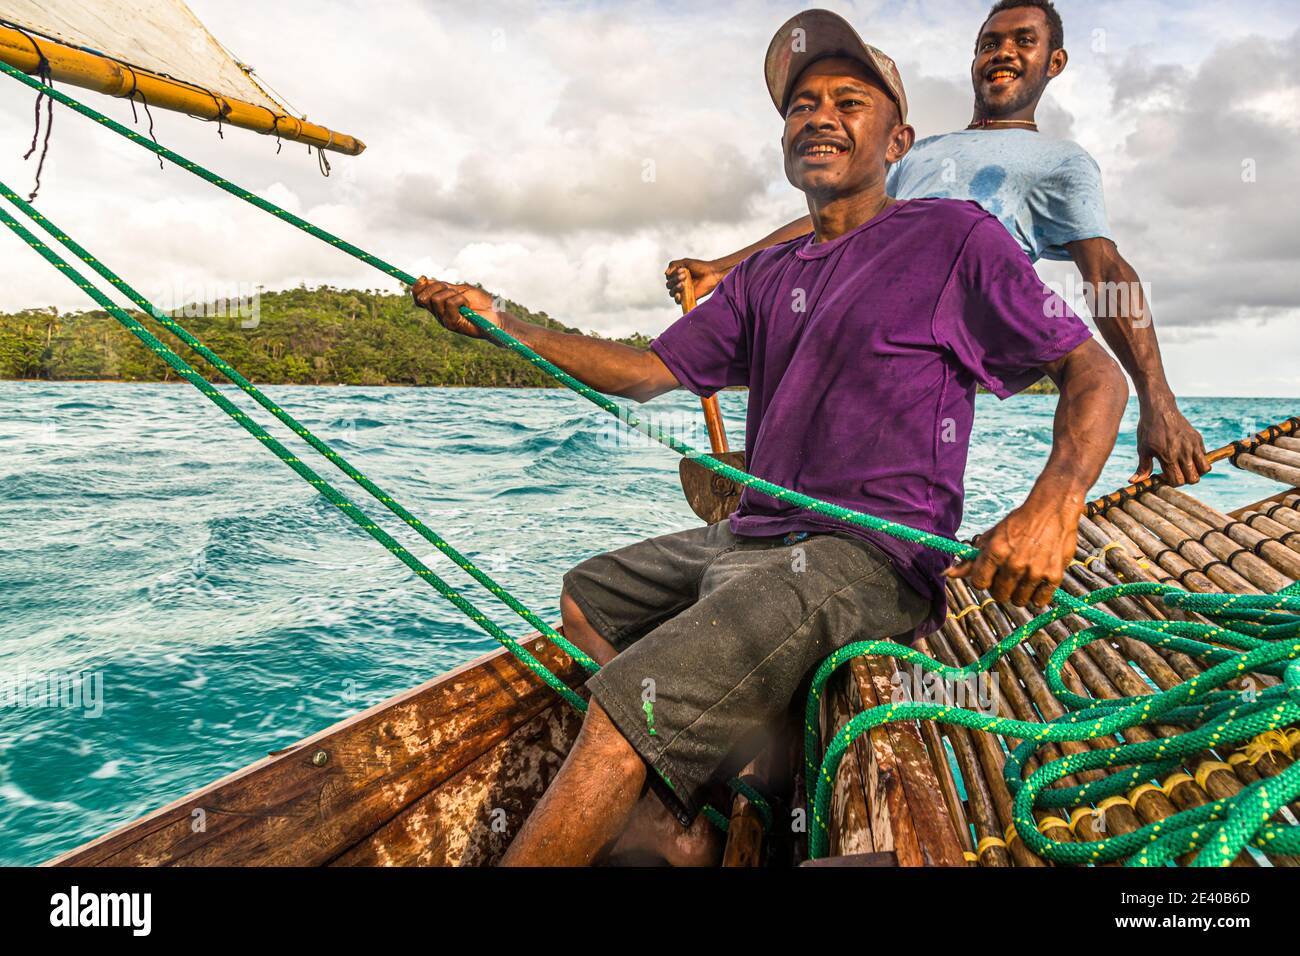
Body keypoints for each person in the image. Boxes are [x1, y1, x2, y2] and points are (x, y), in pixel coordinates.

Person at [411, 13, 1127, 866]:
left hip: (864, 556)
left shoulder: (951, 238)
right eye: (801, 105)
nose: (818, 116)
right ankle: (696, 809)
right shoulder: (765, 277)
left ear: (897, 139)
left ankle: (664, 771)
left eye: (847, 101)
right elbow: (646, 371)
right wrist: (507, 325)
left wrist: (1054, 504)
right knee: (585, 597)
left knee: (627, 705)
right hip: (750, 534)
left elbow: (1095, 375)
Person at [666, 1, 1207, 487]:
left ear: (1056, 62)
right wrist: (725, 267)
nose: (1004, 53)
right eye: (989, 44)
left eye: (1024, 41)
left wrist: (1157, 399)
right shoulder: (918, 150)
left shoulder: (1061, 163)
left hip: (937, 320)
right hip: (849, 305)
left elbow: (1106, 272)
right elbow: (836, 220)